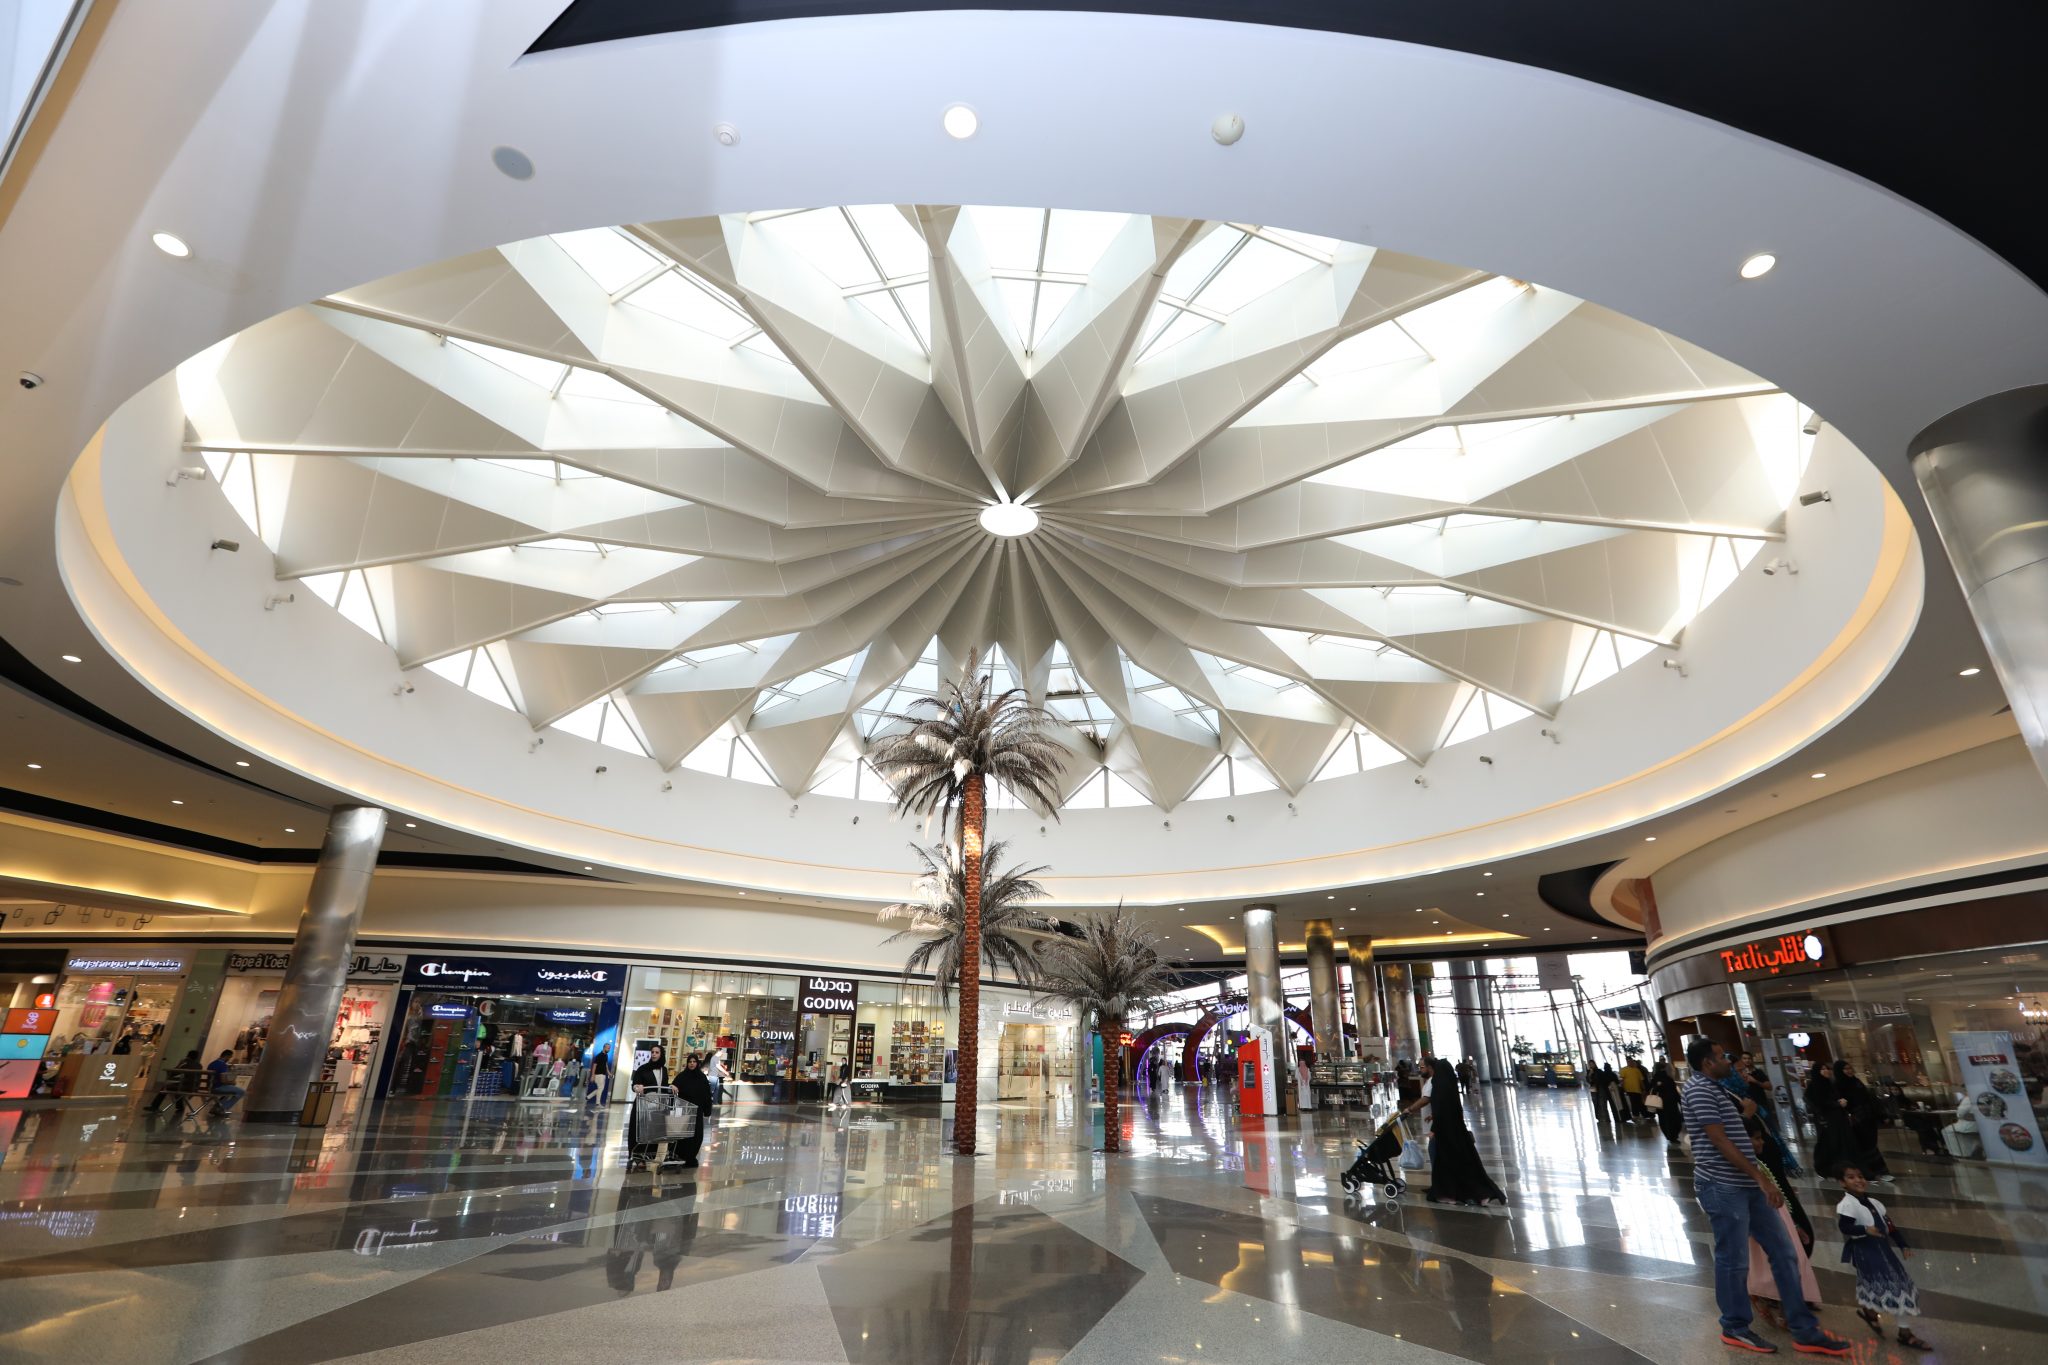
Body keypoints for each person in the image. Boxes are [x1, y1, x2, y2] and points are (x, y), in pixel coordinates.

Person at [1681, 1039, 1849, 1356]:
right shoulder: (1699, 1089)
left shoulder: (1716, 1088)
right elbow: (1718, 1140)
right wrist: (1761, 1178)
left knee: (1784, 1251)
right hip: (1723, 1185)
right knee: (1733, 1259)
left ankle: (1803, 1329)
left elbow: (1731, 1132)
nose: (1728, 1060)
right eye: (1721, 1056)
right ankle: (1734, 1327)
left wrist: (1756, 1173)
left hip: (1746, 1182)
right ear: (1707, 1063)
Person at [1837, 1164, 1929, 1350]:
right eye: (1851, 1177)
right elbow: (1844, 1227)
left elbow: (1891, 1227)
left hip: (1883, 1251)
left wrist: (1903, 1244)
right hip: (1866, 1253)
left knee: (1886, 1284)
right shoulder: (1847, 1205)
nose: (1858, 1180)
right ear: (1842, 1183)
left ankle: (1871, 1312)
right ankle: (1905, 1333)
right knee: (1893, 1286)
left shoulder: (1874, 1203)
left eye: (1860, 1176)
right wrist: (1864, 1229)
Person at [1401, 1056, 1506, 1205]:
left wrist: (1433, 1128)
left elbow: (1440, 1108)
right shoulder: (1446, 1086)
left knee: (1444, 1161)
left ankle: (1446, 1192)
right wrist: (1434, 1117)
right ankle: (1461, 1192)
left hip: (1445, 1133)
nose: (1420, 1069)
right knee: (1458, 1162)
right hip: (1453, 1131)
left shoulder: (1437, 1084)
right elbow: (1446, 1107)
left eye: (1422, 1067)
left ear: (1430, 1067)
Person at [1833, 1063, 1892, 1182]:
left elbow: (1869, 1099)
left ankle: (1876, 1172)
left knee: (1870, 1145)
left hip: (1867, 1118)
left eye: (1850, 1068)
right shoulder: (1838, 1086)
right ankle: (1873, 1172)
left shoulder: (1856, 1082)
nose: (1849, 1071)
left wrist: (1881, 1115)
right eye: (1846, 1069)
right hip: (1855, 1121)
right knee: (1865, 1147)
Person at [628, 1044, 672, 1169]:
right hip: (643, 1105)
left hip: (658, 1105)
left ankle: (649, 1155)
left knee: (653, 1132)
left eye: (657, 1052)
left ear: (661, 1054)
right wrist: (637, 1087)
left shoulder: (664, 1070)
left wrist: (671, 1087)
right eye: (652, 1052)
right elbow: (634, 1084)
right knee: (640, 1130)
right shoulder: (643, 1068)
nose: (654, 1054)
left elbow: (664, 1085)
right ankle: (637, 1156)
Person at [673, 1053, 714, 1167]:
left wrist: (707, 1110)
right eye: (690, 1062)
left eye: (694, 1062)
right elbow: (674, 1088)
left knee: (696, 1135)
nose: (692, 1064)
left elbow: (706, 1094)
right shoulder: (682, 1076)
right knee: (682, 1134)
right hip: (683, 1109)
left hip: (697, 1110)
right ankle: (680, 1156)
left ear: (697, 1063)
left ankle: (691, 1157)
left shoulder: (702, 1077)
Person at [1651, 1060, 1685, 1150]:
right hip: (1671, 1102)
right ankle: (1673, 1136)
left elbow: (1653, 1089)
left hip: (1660, 1103)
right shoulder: (1669, 1078)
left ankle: (1669, 1136)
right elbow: (1674, 1090)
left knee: (1663, 1120)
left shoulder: (1655, 1078)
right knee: (1674, 1119)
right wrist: (1680, 1101)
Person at [205, 1050, 246, 1114]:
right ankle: (222, 1108)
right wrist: (232, 1082)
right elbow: (223, 1080)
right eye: (230, 1057)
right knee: (241, 1092)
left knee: (230, 1090)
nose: (229, 1059)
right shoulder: (223, 1065)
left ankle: (217, 1107)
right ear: (226, 1056)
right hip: (218, 1087)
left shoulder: (212, 1063)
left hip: (210, 1087)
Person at [1620, 1056, 1650, 1122]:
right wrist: (1622, 1088)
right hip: (1629, 1089)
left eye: (1631, 1061)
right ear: (1627, 1062)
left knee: (1639, 1102)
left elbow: (1641, 1080)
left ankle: (1642, 1114)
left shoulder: (1637, 1070)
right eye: (1628, 1061)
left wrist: (1643, 1088)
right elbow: (1622, 1079)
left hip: (1637, 1089)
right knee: (1634, 1102)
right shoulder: (1624, 1070)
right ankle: (1636, 1115)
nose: (1630, 1063)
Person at [1589, 1060, 1615, 1126]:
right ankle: (1600, 1118)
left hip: (1601, 1089)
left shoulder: (1599, 1071)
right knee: (1596, 1104)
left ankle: (1606, 1118)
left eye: (1592, 1064)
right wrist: (1590, 1074)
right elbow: (1589, 1080)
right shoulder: (1589, 1072)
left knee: (1602, 1104)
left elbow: (1603, 1079)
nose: (1591, 1065)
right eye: (1590, 1064)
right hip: (1594, 1090)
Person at [586, 1046, 611, 1111]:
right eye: (608, 1048)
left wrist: (608, 1072)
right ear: (604, 1048)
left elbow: (606, 1064)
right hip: (598, 1074)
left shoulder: (606, 1055)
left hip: (603, 1075)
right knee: (600, 1088)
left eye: (609, 1048)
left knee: (600, 1089)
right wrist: (592, 1075)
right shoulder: (599, 1056)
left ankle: (588, 1097)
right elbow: (594, 1065)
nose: (609, 1049)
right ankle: (597, 1103)